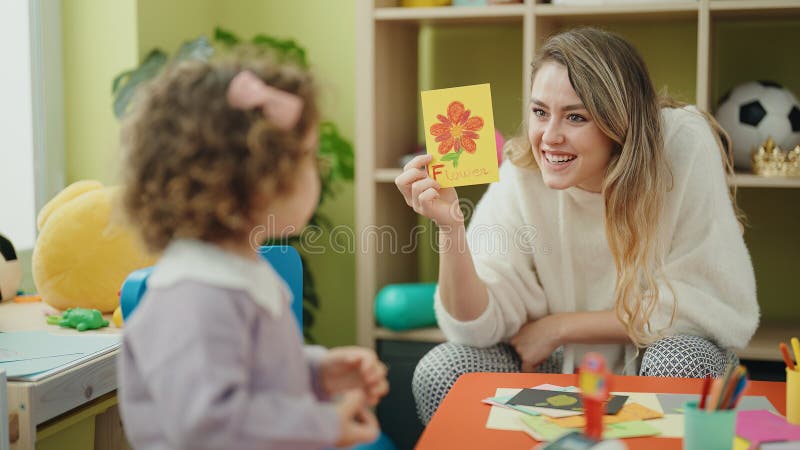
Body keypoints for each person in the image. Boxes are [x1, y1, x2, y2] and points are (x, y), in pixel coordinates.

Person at [396, 27, 759, 424]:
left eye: (575, 116)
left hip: (652, 356)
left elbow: (707, 304)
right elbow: (475, 328)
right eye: (539, 112)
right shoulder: (523, 171)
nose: (549, 137)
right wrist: (451, 228)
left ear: (619, 121)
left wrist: (560, 327)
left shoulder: (683, 144)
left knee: (680, 359)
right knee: (442, 369)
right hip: (557, 368)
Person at [117, 50, 389, 449]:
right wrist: (323, 425)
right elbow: (211, 424)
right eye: (310, 157)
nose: (320, 170)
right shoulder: (195, 296)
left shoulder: (235, 271)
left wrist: (317, 372)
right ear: (261, 178)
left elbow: (252, 373)